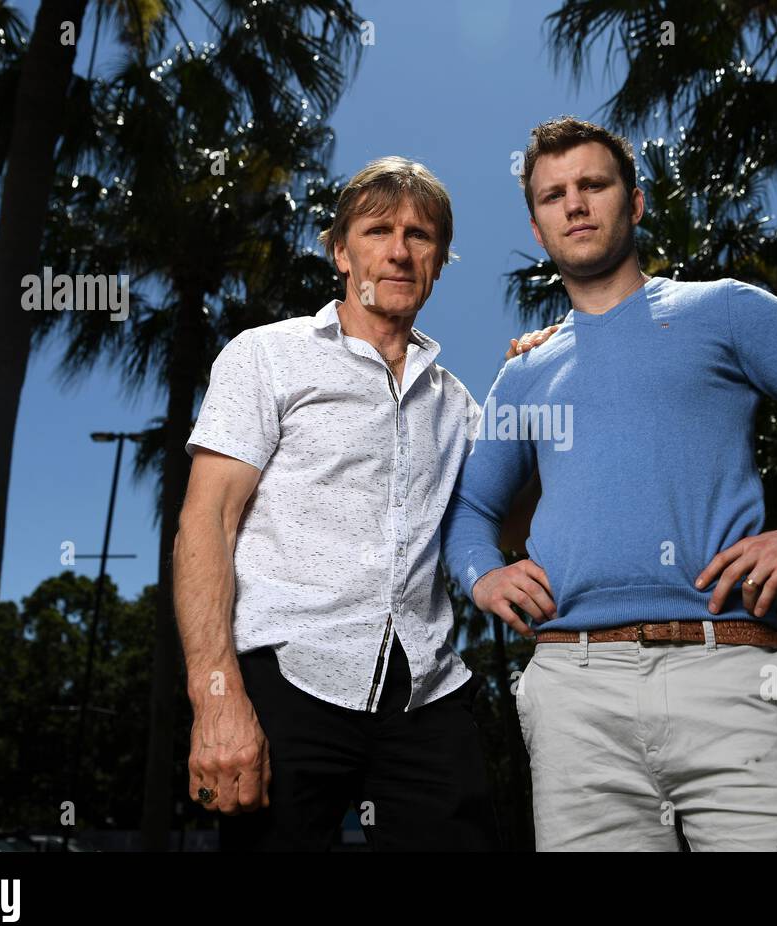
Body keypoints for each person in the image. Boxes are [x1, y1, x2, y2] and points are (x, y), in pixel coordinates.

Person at [441, 116, 777, 851]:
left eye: (593, 185)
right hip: (575, 694)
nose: (575, 204)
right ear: (538, 229)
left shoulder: (723, 310)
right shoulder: (524, 374)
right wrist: (482, 577)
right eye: (553, 195)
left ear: (633, 203)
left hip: (730, 673)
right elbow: (473, 508)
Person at [175, 156, 554, 851]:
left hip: (428, 691)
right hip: (288, 675)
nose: (400, 249)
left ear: (439, 260)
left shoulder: (461, 406)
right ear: (341, 251)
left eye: (421, 234)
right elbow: (207, 522)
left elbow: (514, 522)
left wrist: (538, 384)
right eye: (379, 229)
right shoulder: (266, 357)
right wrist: (215, 695)